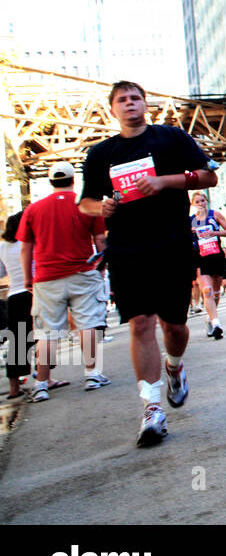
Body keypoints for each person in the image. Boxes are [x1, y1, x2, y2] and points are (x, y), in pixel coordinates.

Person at [78, 80, 218, 445]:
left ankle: (175, 367)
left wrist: (163, 182)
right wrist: (101, 207)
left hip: (171, 243)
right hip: (126, 247)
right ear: (113, 110)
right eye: (122, 100)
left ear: (145, 105)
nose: (129, 104)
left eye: (135, 98)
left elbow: (208, 175)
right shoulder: (100, 154)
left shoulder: (172, 139)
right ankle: (151, 409)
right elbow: (86, 203)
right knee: (140, 322)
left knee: (174, 326)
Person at [17, 163, 110, 398]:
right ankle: (92, 373)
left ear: (51, 182)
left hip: (47, 278)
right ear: (72, 180)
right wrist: (102, 267)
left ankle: (41, 385)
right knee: (87, 324)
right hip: (83, 272)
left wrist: (29, 277)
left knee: (47, 332)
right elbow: (100, 240)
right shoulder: (86, 207)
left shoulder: (33, 210)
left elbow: (26, 248)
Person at [189, 191, 226, 337]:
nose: (201, 204)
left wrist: (214, 233)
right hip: (200, 258)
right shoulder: (190, 221)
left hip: (216, 256)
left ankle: (210, 317)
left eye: (203, 200)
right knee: (207, 290)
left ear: (206, 201)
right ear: (193, 204)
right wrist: (191, 232)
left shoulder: (215, 215)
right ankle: (216, 323)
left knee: (215, 291)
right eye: (197, 202)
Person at [2, 212, 34, 400]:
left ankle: (14, 387)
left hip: (14, 296)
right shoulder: (31, 242)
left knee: (17, 342)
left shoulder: (2, 247)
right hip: (34, 292)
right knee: (44, 336)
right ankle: (46, 379)